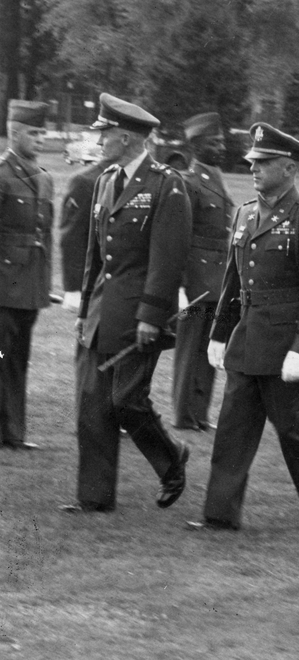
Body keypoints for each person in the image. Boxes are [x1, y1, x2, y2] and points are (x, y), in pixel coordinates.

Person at [186, 122, 299, 531]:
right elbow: (233, 283)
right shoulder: (244, 214)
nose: (254, 168)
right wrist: (220, 332)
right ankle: (219, 514)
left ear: (289, 169)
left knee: (293, 430)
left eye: (265, 162)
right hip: (247, 342)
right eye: (253, 161)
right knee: (233, 432)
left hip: (287, 346)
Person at [60, 93, 192, 514]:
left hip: (139, 316)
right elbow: (94, 259)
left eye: (104, 135)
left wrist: (152, 316)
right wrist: (84, 312)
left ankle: (171, 460)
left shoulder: (166, 184)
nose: (98, 143)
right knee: (91, 406)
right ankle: (94, 497)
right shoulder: (104, 180)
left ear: (126, 138)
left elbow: (167, 258)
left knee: (126, 402)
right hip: (101, 311)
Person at [171, 112, 233, 431]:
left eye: (222, 140)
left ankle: (200, 413)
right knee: (190, 349)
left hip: (217, 280)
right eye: (214, 142)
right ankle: (184, 414)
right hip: (196, 281)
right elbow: (180, 237)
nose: (221, 146)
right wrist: (181, 285)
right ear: (196, 146)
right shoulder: (188, 181)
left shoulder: (215, 176)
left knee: (209, 348)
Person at [0, 99, 52, 450]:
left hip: (30, 284)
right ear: (14, 133)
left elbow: (44, 234)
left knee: (18, 359)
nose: (41, 139)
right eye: (34, 133)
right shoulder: (2, 175)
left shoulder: (45, 178)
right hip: (4, 284)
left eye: (43, 132)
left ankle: (14, 433)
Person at [59, 156, 110, 314]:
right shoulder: (87, 180)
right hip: (98, 283)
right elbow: (73, 236)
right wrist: (74, 287)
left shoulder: (148, 178)